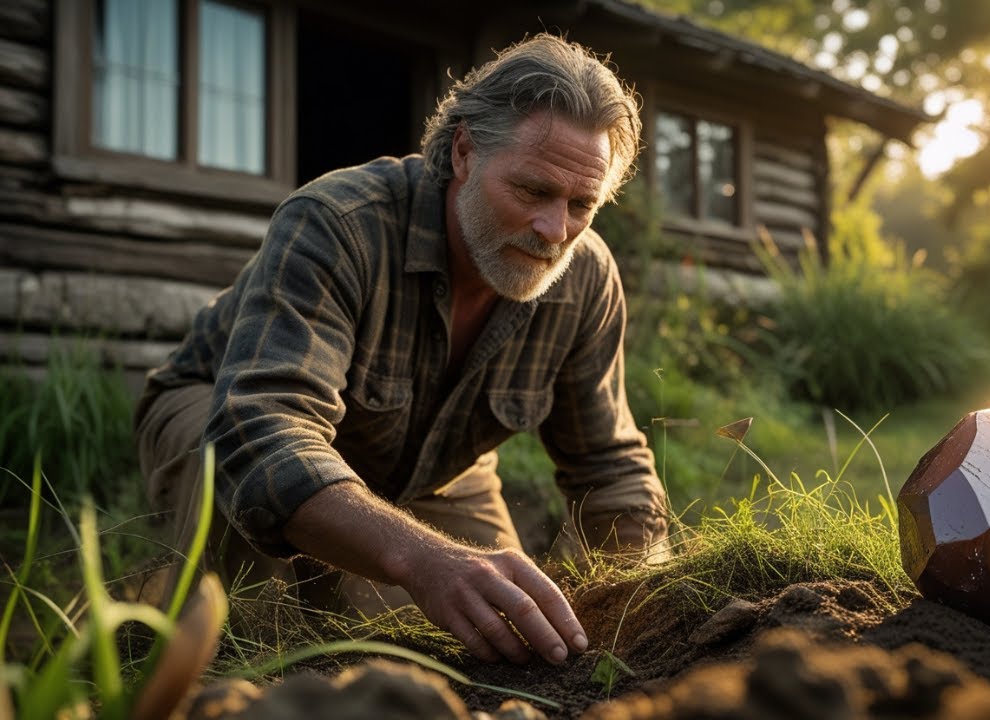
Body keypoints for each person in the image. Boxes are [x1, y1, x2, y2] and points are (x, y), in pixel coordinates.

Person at [134, 33, 670, 667]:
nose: (556, 232)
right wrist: (421, 558)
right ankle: (175, 649)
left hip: (438, 472)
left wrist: (656, 608)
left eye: (582, 205)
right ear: (465, 152)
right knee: (255, 620)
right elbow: (261, 433)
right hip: (221, 410)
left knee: (494, 636)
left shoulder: (586, 278)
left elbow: (608, 465)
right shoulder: (337, 222)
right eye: (532, 191)